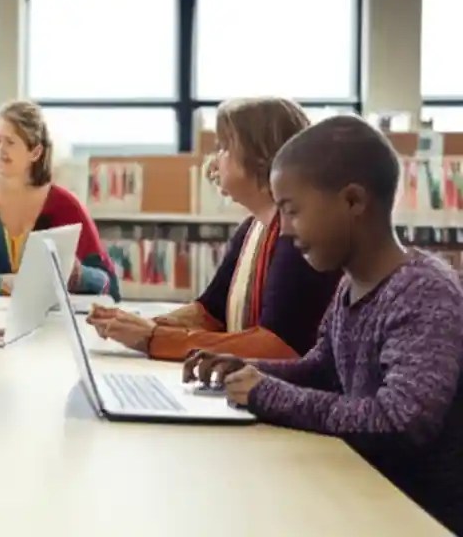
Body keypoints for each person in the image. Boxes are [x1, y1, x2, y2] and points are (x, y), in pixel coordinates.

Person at [185, 115, 463, 534]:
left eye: (292, 211)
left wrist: (267, 394)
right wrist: (246, 369)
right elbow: (323, 371)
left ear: (353, 201)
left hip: (412, 516)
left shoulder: (423, 293)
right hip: (360, 493)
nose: (286, 230)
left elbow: (400, 421)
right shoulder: (351, 284)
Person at [89, 97, 341, 360]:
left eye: (224, 148)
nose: (213, 162)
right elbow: (210, 312)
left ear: (260, 156)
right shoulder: (252, 227)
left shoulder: (298, 237)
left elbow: (278, 347)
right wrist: (138, 324)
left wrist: (154, 337)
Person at [0, 100, 119, 298]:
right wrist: (7, 283)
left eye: (10, 142)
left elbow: (110, 286)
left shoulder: (65, 205)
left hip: (47, 325)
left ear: (36, 152)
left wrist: (80, 276)